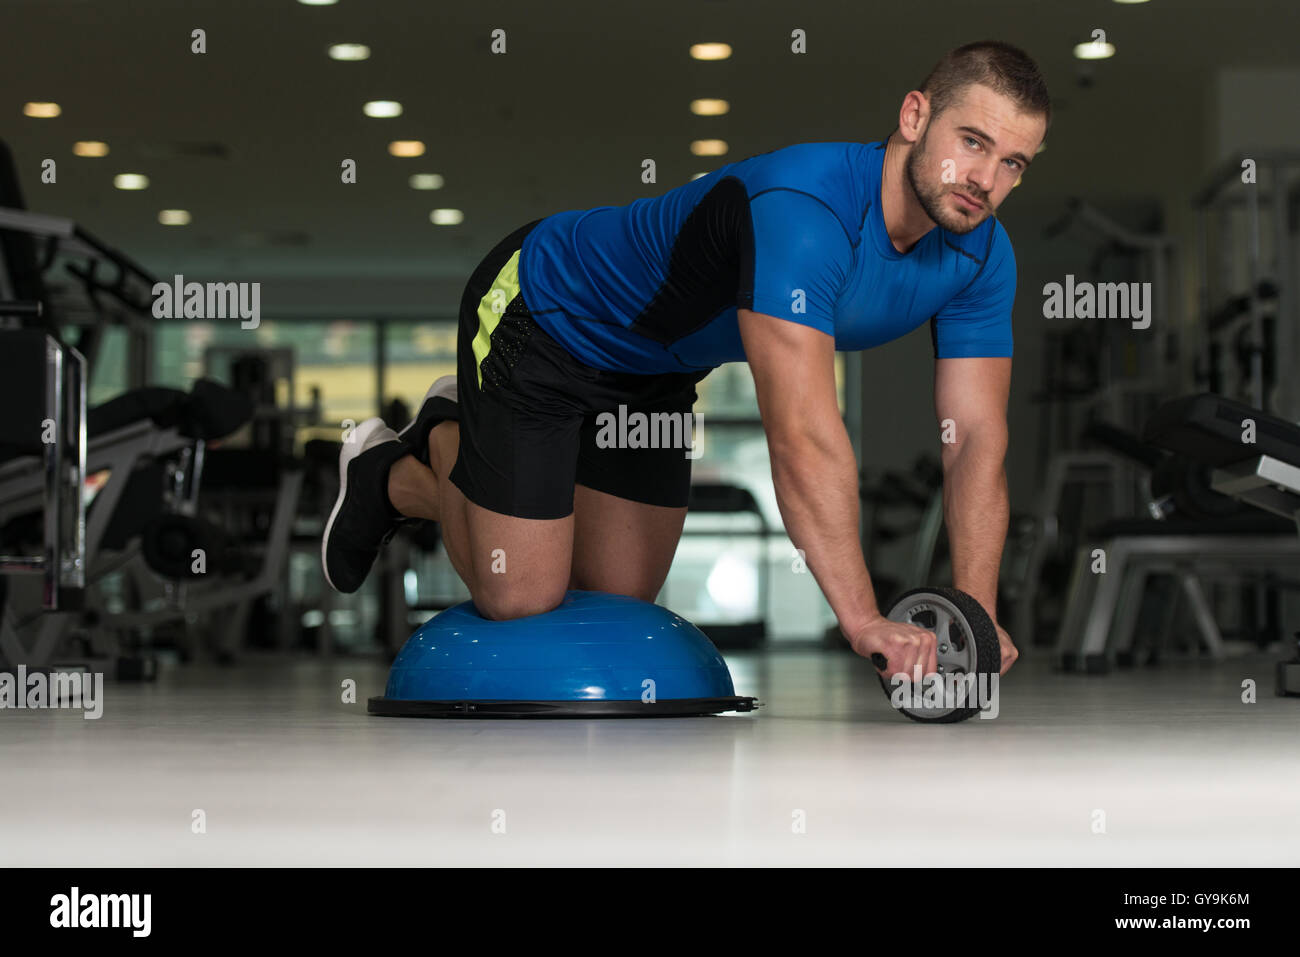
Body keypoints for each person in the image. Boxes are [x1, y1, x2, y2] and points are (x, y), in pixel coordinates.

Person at [322, 39, 1049, 682]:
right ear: (916, 116)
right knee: (522, 594)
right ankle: (417, 456)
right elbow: (803, 433)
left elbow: (977, 439)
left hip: (655, 378)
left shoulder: (982, 256)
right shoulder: (806, 211)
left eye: (1012, 161)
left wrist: (973, 615)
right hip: (543, 315)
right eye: (973, 142)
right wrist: (861, 618)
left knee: (616, 597)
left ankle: (463, 467)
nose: (985, 179)